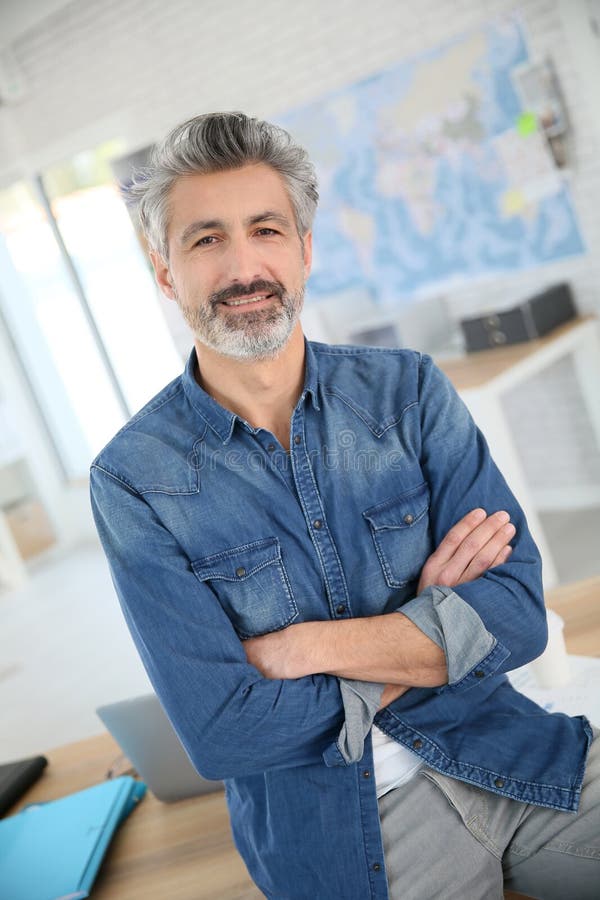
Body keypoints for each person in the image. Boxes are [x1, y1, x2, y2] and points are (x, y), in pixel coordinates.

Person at [90, 112, 599, 900]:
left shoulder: (408, 391)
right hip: (343, 826)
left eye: (266, 229)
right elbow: (225, 731)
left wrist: (303, 648)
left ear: (305, 249)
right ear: (165, 272)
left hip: (507, 747)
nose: (244, 267)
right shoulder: (133, 479)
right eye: (206, 240)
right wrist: (436, 631)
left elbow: (518, 615)